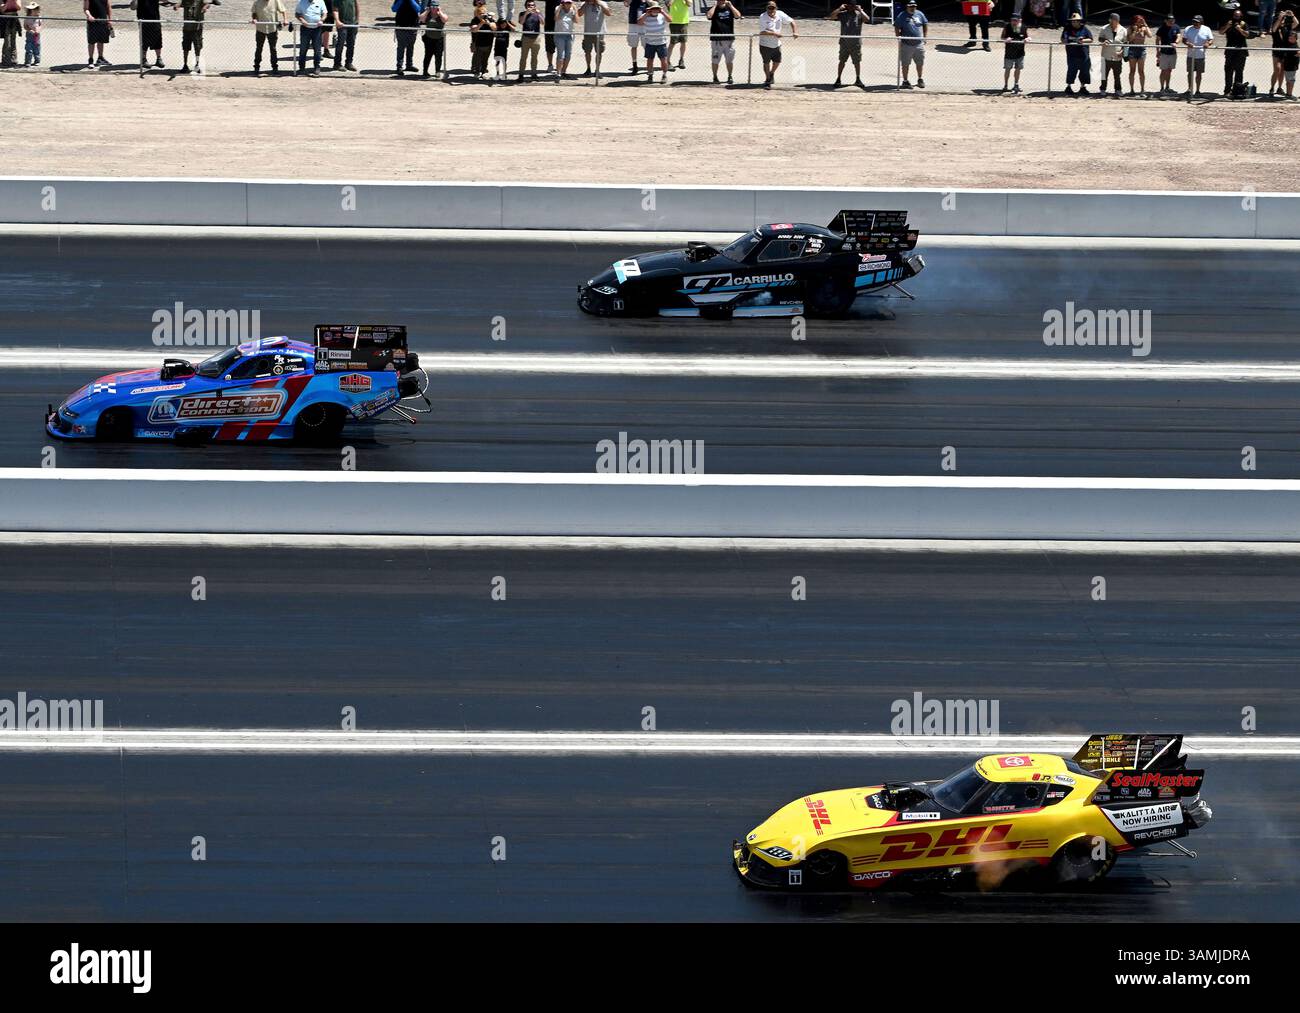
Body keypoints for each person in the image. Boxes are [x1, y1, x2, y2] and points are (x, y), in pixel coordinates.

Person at [757, 1, 795, 88]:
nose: (771, 10)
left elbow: (792, 21)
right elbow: (762, 31)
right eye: (769, 8)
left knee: (777, 61)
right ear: (766, 8)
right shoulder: (763, 16)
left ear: (776, 8)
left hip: (777, 43)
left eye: (772, 8)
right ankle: (767, 80)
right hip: (765, 44)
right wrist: (775, 34)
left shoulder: (780, 14)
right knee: (766, 62)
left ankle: (771, 73)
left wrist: (795, 32)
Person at [828, 3, 865, 87]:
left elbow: (867, 19)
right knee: (842, 61)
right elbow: (832, 17)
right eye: (849, 5)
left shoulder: (859, 14)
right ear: (846, 6)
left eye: (853, 5)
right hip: (844, 43)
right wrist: (839, 9)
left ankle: (858, 79)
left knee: (857, 62)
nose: (851, 7)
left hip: (856, 43)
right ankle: (838, 79)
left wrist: (861, 10)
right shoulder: (843, 14)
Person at [894, 0, 926, 89]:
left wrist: (925, 37)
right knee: (905, 63)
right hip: (906, 44)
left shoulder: (920, 14)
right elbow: (896, 26)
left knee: (920, 63)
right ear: (907, 6)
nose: (912, 8)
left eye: (914, 6)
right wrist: (898, 37)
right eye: (911, 6)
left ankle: (920, 79)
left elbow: (925, 24)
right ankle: (905, 81)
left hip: (919, 43)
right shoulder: (902, 15)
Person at [706, 0, 739, 83]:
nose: (721, 1)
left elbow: (738, 15)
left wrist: (731, 6)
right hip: (717, 40)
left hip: (729, 40)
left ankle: (730, 76)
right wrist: (714, 6)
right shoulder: (714, 8)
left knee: (729, 61)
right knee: (715, 60)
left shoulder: (729, 8)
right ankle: (715, 76)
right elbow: (709, 16)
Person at [1060, 11, 1092, 94]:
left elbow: (1091, 39)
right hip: (1072, 55)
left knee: (1084, 72)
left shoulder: (1084, 29)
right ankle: (1069, 87)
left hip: (1083, 55)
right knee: (1071, 71)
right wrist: (1068, 40)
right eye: (1072, 21)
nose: (1073, 22)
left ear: (1079, 21)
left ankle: (1083, 87)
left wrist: (1083, 40)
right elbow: (1063, 39)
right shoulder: (1067, 28)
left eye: (1075, 21)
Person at [252, 0, 288, 73]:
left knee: (273, 49)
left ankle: (274, 67)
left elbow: (283, 10)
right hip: (260, 29)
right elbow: (254, 13)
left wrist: (285, 20)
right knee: (259, 48)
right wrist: (254, 19)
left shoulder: (276, 1)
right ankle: (256, 66)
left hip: (272, 29)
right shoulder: (257, 2)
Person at [1182, 13, 1213, 96]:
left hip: (1201, 55)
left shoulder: (1206, 29)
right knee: (1190, 73)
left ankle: (1198, 90)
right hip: (1190, 55)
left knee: (1199, 74)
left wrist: (1208, 43)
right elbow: (1184, 40)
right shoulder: (1188, 28)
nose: (1195, 23)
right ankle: (1189, 89)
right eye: (1194, 21)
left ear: (1201, 22)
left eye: (1197, 22)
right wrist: (1188, 43)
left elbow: (1210, 39)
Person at [133, 0, 170, 69]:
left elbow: (165, 1)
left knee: (158, 39)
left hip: (155, 19)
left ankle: (158, 59)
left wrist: (169, 3)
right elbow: (132, 7)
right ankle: (144, 59)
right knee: (144, 40)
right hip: (143, 20)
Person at [639, 0, 669, 81]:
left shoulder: (661, 16)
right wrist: (646, 14)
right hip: (650, 43)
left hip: (661, 43)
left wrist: (663, 12)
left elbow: (670, 20)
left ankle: (664, 75)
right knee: (650, 60)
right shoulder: (645, 17)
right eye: (654, 8)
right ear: (650, 9)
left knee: (663, 60)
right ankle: (650, 75)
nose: (656, 10)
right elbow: (639, 22)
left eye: (657, 8)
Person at [1222, 7, 1249, 95]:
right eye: (1235, 15)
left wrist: (1240, 29)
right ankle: (1227, 91)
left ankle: (1237, 91)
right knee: (1228, 71)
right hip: (1230, 51)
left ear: (1241, 16)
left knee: (1239, 72)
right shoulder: (1229, 23)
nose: (1236, 17)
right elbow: (1220, 32)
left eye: (1238, 16)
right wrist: (1227, 26)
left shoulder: (1243, 24)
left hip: (1241, 51)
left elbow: (1247, 35)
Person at [1097, 12, 1126, 94]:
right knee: (1104, 75)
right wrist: (1104, 40)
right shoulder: (1104, 28)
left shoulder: (1123, 30)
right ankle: (1102, 89)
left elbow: (1126, 43)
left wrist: (1122, 51)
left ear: (1117, 20)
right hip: (1106, 55)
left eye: (1113, 20)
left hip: (1117, 56)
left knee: (1117, 75)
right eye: (1110, 20)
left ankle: (1118, 90)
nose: (1111, 21)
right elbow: (1100, 38)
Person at [578, 0, 609, 76]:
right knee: (587, 51)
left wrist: (600, 4)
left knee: (599, 52)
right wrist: (585, 4)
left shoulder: (602, 3)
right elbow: (579, 14)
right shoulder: (584, 4)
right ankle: (588, 69)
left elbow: (608, 13)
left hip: (599, 32)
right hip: (588, 32)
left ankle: (597, 70)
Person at [1272, 8, 1298, 97]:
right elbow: (1274, 29)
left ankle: (1279, 88)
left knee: (1282, 70)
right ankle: (1272, 88)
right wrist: (1280, 17)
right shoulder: (1275, 25)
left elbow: (1296, 23)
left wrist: (1292, 15)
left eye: (1283, 19)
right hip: (1277, 50)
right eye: (1282, 18)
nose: (1283, 20)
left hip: (1285, 51)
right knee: (1277, 69)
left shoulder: (1287, 27)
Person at [296, 0, 326, 73]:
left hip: (317, 29)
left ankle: (317, 67)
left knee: (317, 49)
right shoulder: (301, 2)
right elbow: (297, 14)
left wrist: (322, 20)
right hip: (305, 29)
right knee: (303, 49)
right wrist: (302, 20)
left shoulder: (320, 1)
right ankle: (301, 68)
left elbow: (324, 13)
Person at [1000, 12, 1027, 93]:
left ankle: (1016, 84)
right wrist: (1006, 39)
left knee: (1018, 68)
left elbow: (1027, 36)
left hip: (1020, 52)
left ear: (1020, 20)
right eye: (1012, 20)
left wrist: (1028, 39)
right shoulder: (1007, 26)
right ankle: (1005, 85)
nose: (1013, 22)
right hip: (1009, 52)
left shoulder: (1024, 27)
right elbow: (1002, 37)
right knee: (1007, 69)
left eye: (1015, 20)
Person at [179, 0, 208, 73]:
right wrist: (176, 6)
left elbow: (207, 4)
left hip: (197, 29)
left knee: (197, 47)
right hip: (187, 28)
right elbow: (179, 3)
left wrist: (204, 8)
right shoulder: (185, 1)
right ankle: (185, 65)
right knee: (185, 47)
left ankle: (197, 65)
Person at [393, 0, 421, 73]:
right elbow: (394, 9)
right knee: (401, 48)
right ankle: (399, 66)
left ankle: (409, 65)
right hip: (401, 27)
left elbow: (418, 9)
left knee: (410, 47)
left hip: (412, 27)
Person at [1125, 14, 1150, 95]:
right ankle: (1132, 89)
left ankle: (1142, 90)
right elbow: (1129, 39)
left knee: (1141, 71)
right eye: (1138, 21)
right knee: (1132, 70)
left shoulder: (1144, 28)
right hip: (1133, 50)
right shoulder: (1130, 28)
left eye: (1141, 21)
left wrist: (1145, 24)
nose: (1140, 22)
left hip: (1141, 50)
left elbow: (1150, 35)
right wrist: (1135, 31)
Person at [421, 0, 447, 78]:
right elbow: (421, 19)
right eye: (432, 6)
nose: (433, 8)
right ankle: (425, 71)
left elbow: (445, 19)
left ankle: (437, 71)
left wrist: (440, 12)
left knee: (438, 56)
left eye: (435, 6)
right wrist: (427, 11)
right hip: (429, 38)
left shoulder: (440, 15)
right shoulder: (428, 15)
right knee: (428, 55)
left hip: (439, 39)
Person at [1155, 12, 1180, 92]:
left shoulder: (1176, 27)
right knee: (1163, 70)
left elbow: (1179, 36)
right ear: (1165, 20)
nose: (1171, 21)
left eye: (1173, 20)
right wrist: (1158, 51)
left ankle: (1167, 87)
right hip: (1163, 53)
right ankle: (1162, 87)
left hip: (1172, 53)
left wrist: (1175, 43)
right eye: (1170, 20)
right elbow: (1157, 40)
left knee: (1169, 70)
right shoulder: (1161, 28)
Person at [469, 4, 495, 77]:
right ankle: (477, 72)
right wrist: (481, 23)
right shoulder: (475, 20)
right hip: (478, 44)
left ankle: (483, 72)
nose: (482, 15)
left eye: (484, 13)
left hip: (488, 43)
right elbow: (474, 30)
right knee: (477, 59)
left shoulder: (489, 19)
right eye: (480, 14)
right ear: (477, 14)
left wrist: (488, 23)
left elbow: (495, 28)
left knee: (485, 59)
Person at [517, 0, 542, 77]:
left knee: (534, 57)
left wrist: (538, 14)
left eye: (532, 5)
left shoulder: (538, 14)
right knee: (523, 57)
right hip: (525, 38)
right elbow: (521, 22)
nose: (531, 7)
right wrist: (526, 14)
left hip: (536, 38)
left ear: (535, 6)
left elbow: (543, 23)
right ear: (526, 6)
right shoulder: (522, 13)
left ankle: (534, 73)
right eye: (529, 5)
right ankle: (521, 74)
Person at [332, 0, 359, 70]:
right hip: (342, 24)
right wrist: (337, 21)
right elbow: (335, 10)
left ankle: (349, 63)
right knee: (340, 44)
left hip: (353, 24)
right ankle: (337, 64)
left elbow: (356, 6)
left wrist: (357, 20)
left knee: (351, 44)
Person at [554, 0, 577, 77]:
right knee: (561, 55)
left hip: (569, 35)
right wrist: (559, 9)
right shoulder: (558, 8)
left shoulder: (572, 10)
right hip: (560, 34)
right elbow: (556, 19)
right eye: (566, 3)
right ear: (563, 3)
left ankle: (563, 71)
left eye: (569, 3)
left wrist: (575, 10)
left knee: (568, 55)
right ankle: (558, 73)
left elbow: (576, 21)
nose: (568, 4)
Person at [625, 0, 647, 73]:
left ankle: (649, 64)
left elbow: (655, 4)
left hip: (645, 25)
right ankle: (635, 65)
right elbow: (626, 3)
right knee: (633, 46)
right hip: (633, 25)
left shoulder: (647, 2)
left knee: (647, 46)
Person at [667, 0, 688, 69]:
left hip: (684, 22)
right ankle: (667, 62)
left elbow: (689, 4)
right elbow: (669, 4)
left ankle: (681, 60)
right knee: (672, 43)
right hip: (674, 22)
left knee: (683, 42)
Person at [493, 10, 513, 78]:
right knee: (497, 62)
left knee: (504, 62)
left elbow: (514, 29)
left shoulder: (507, 29)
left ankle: (504, 73)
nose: (503, 25)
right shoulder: (497, 29)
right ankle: (497, 73)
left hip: (504, 48)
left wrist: (508, 22)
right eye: (501, 23)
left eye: (504, 23)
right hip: (497, 48)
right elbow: (494, 34)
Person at [0, 0, 18, 67]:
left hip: (14, 21)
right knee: (7, 41)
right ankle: (5, 60)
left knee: (13, 41)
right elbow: (2, 10)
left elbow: (18, 7)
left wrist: (13, 2)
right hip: (5, 21)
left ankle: (13, 60)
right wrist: (8, 2)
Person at [20, 1, 39, 66]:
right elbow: (25, 26)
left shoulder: (39, 17)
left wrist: (38, 30)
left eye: (36, 9)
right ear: (30, 10)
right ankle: (28, 62)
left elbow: (40, 25)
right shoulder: (27, 18)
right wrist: (29, 30)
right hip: (30, 34)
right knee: (29, 48)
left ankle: (37, 61)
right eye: (34, 9)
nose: (35, 11)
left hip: (37, 35)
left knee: (37, 48)